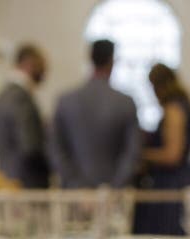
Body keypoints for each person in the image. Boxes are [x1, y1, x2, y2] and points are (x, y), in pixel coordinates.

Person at [51, 39, 140, 188]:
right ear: (112, 61)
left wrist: (76, 185)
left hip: (74, 196)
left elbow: (56, 149)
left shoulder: (66, 101)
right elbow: (132, 153)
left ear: (90, 58)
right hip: (113, 196)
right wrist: (113, 188)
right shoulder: (125, 102)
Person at [134, 63, 190, 235]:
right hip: (174, 182)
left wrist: (142, 155)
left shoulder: (174, 109)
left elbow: (172, 155)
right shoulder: (182, 105)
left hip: (170, 186)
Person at [0, 44, 50, 189]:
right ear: (28, 64)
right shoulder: (21, 98)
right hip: (26, 183)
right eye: (41, 66)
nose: (44, 73)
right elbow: (30, 146)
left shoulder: (2, 96)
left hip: (8, 178)